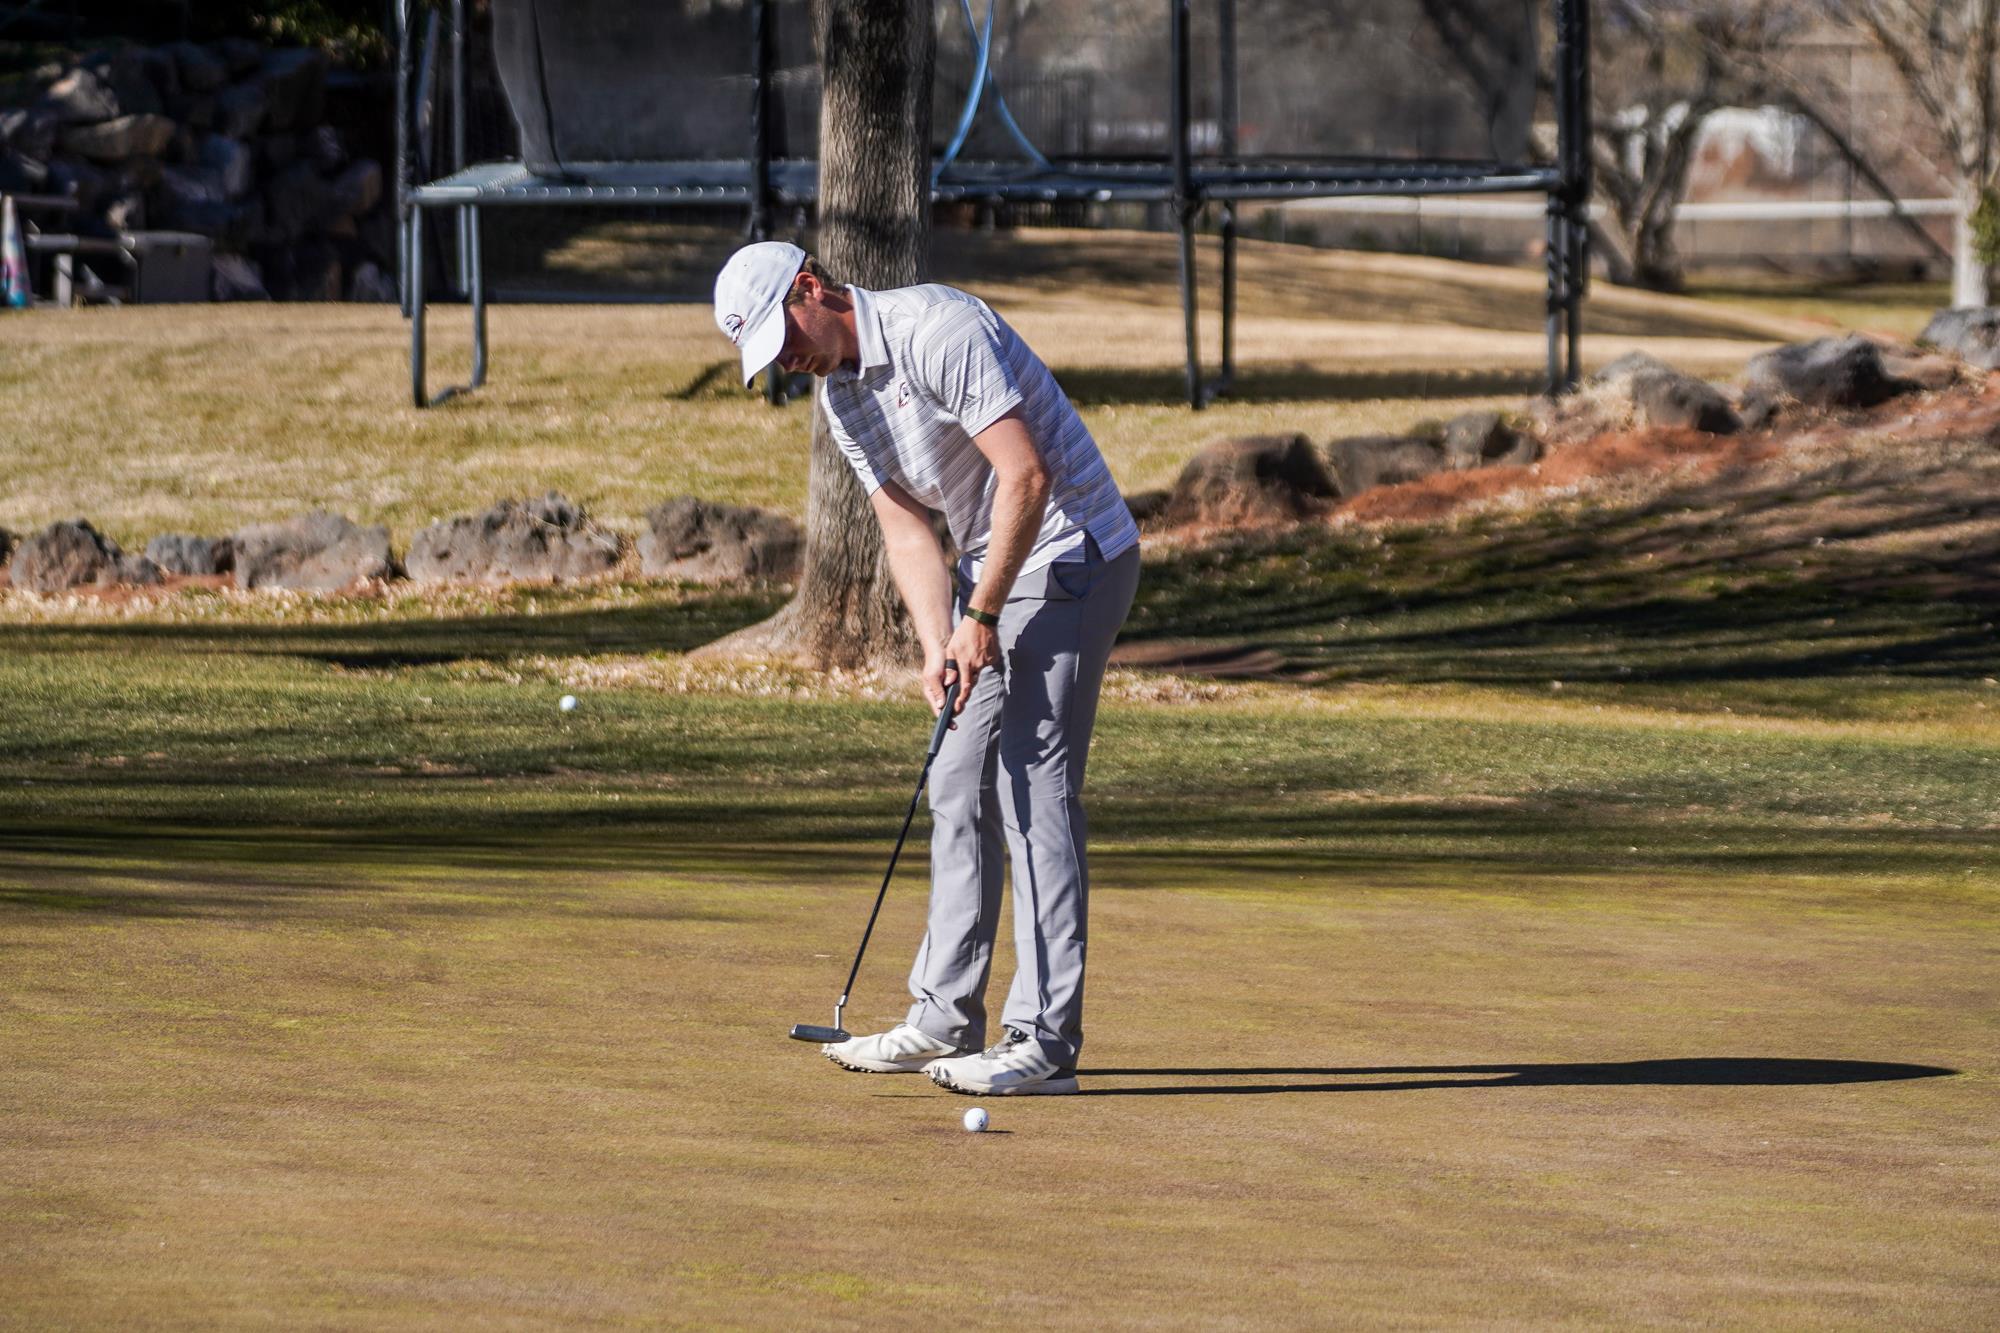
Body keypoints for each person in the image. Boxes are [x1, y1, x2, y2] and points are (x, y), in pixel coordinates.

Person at [713, 241, 1140, 1095]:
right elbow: (907, 530)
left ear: (810, 287)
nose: (786, 362)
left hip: (1071, 547)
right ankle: (944, 1018)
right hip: (994, 570)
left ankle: (1045, 1041)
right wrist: (936, 641)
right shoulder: (842, 397)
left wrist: (979, 615)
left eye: (782, 335)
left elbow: (1026, 476)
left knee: (1033, 783)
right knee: (955, 778)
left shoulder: (937, 330)